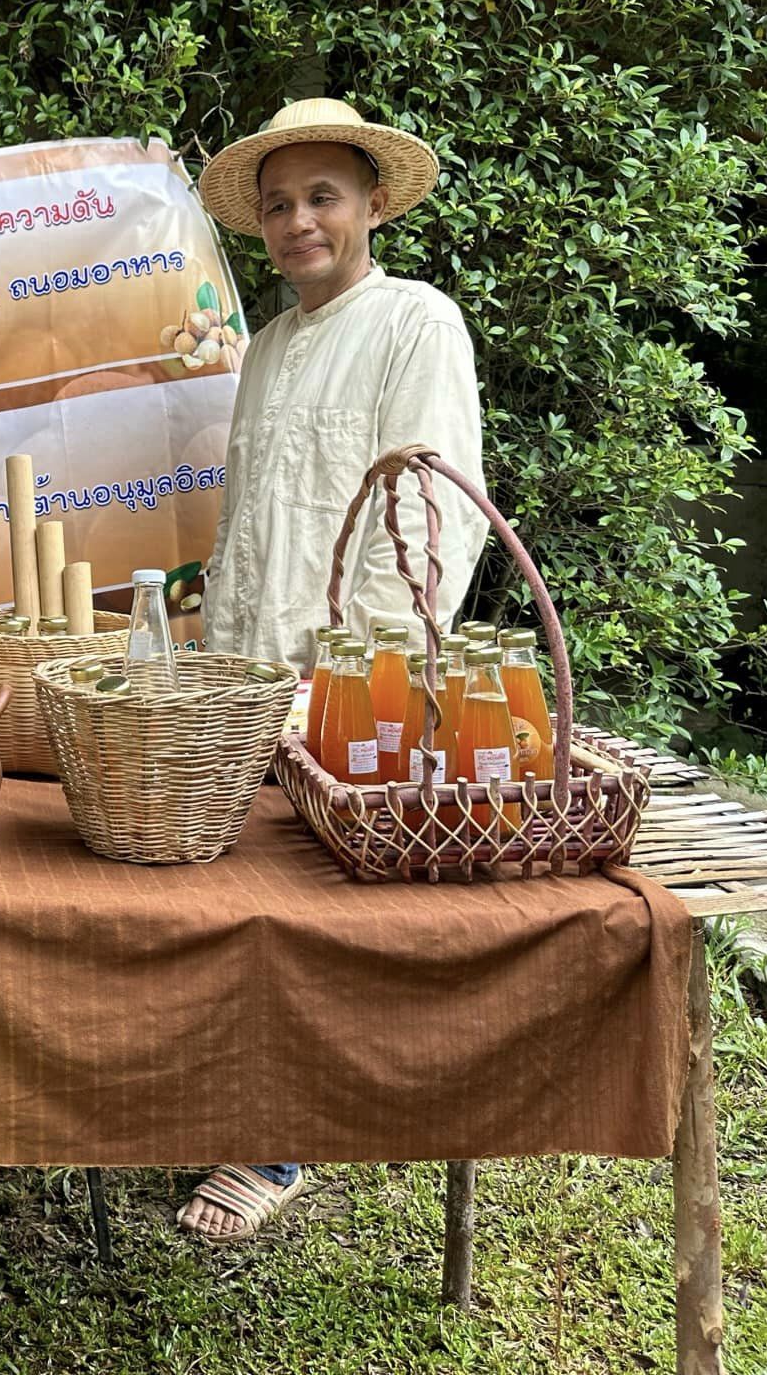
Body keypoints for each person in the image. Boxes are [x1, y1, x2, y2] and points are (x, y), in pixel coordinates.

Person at [178, 97, 490, 1243]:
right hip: (247, 678)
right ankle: (233, 1108)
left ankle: (279, 1143)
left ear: (368, 205)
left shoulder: (416, 323)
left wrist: (355, 675)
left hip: (350, 684)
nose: (298, 220)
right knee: (241, 914)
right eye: (277, 204)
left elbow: (425, 507)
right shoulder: (264, 349)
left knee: (316, 923)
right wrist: (221, 655)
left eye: (321, 197)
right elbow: (254, 516)